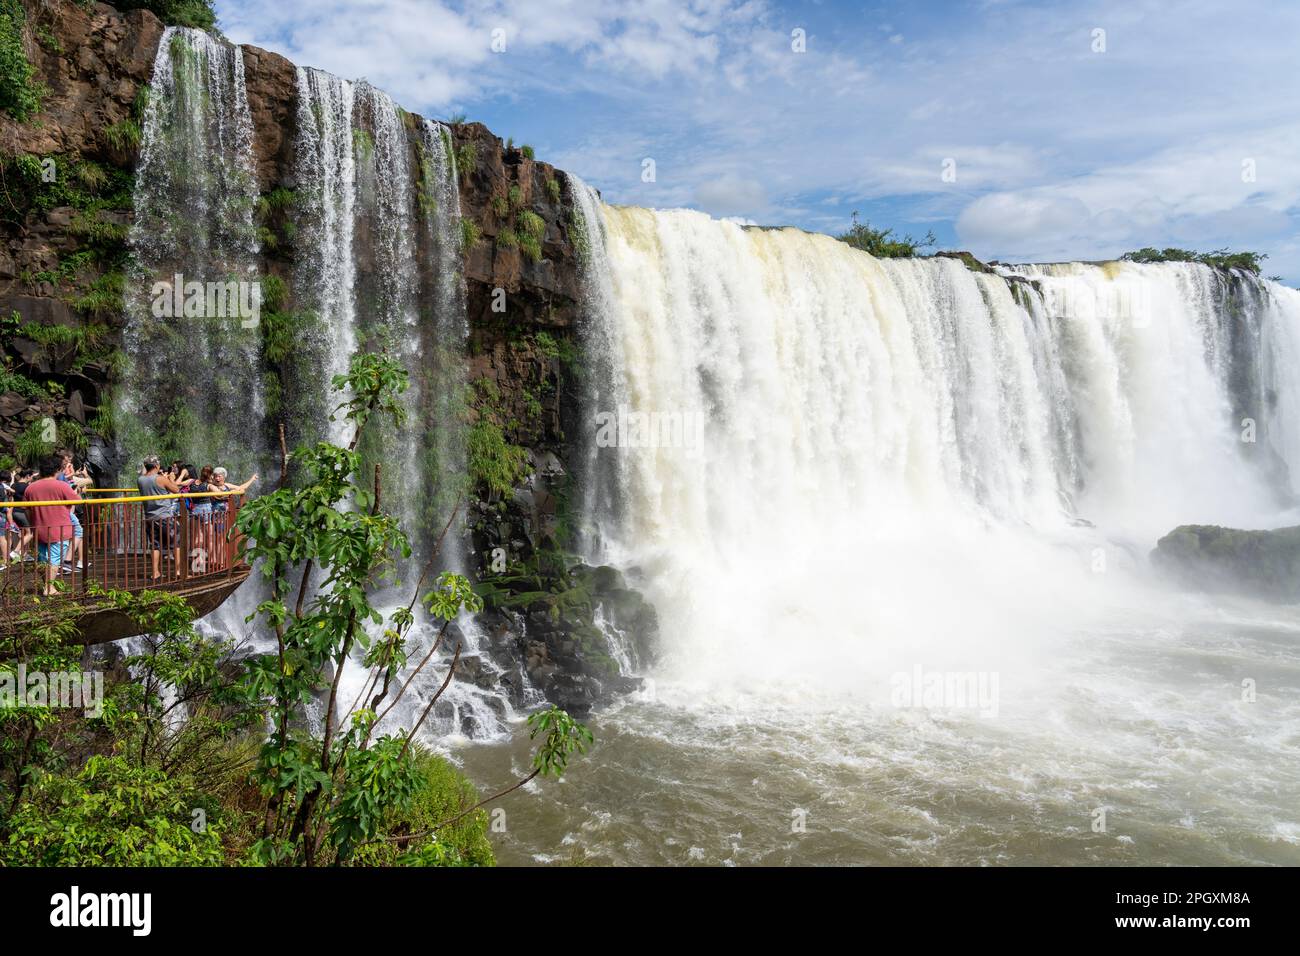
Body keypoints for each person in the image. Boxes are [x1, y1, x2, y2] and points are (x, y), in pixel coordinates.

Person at [23, 456, 79, 595]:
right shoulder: (62, 486)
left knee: (43, 559)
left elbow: (26, 510)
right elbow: (77, 501)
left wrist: (33, 525)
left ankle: (47, 586)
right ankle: (49, 588)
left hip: (39, 529)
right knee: (54, 559)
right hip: (59, 529)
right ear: (57, 470)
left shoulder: (31, 488)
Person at [137, 455, 181, 582]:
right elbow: (176, 490)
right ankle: (178, 571)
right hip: (164, 517)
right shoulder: (161, 479)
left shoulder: (140, 480)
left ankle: (155, 572)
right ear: (157, 466)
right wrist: (171, 478)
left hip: (150, 517)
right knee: (176, 543)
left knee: (155, 545)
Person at [208, 467, 258, 569]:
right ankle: (218, 562)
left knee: (222, 539)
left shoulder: (227, 485)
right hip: (216, 516)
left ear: (224, 477)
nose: (217, 478)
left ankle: (219, 561)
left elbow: (241, 488)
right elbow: (219, 496)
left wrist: (252, 480)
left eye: (219, 476)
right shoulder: (211, 486)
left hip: (225, 515)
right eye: (216, 476)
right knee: (218, 539)